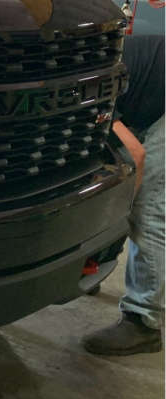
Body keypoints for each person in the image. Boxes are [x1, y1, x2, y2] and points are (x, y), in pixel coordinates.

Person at [84, 34, 164, 355]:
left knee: (146, 211)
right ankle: (97, 265)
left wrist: (122, 215)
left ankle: (143, 321)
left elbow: (136, 156)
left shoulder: (86, 89)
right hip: (148, 92)